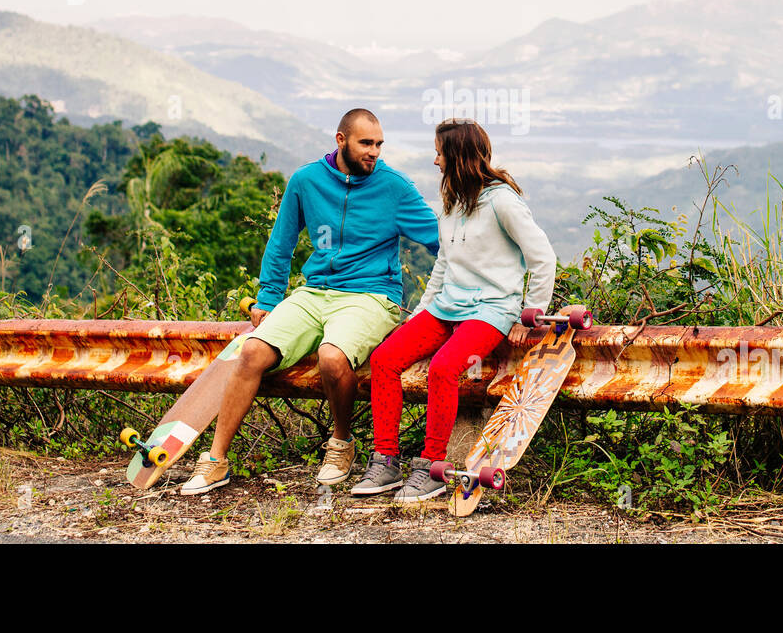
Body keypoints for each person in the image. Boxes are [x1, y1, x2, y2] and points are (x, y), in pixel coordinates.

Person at [181, 109, 440, 495]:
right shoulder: (306, 181)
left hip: (371, 295)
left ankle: (341, 443)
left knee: (332, 357)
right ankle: (216, 460)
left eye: (379, 144)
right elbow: (281, 242)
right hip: (314, 292)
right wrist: (268, 297)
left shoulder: (395, 187)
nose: (374, 152)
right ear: (341, 141)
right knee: (251, 352)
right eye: (365, 143)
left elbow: (445, 242)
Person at [351, 118, 556, 501]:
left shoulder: (503, 201)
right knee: (384, 359)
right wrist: (419, 315)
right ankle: (386, 461)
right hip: (447, 306)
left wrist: (530, 312)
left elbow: (542, 256)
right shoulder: (452, 202)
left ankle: (432, 465)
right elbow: (443, 265)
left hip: (491, 310)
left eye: (439, 152)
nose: (435, 160)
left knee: (444, 368)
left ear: (457, 155)